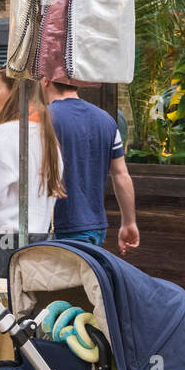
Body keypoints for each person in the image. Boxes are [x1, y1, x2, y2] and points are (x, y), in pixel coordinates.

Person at [0, 69, 66, 278]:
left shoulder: (5, 134)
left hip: (7, 241)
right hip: (41, 237)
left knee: (5, 306)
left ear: (14, 92)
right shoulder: (46, 135)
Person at [43, 79, 139, 254]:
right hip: (95, 227)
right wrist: (129, 222)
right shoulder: (106, 120)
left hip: (60, 227)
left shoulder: (45, 119)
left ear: (45, 81)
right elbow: (121, 174)